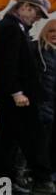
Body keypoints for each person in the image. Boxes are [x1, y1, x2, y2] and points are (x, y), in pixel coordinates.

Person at [0, 0, 54, 195]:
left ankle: (5, 183)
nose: (38, 19)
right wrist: (17, 92)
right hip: (17, 96)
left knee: (7, 140)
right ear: (24, 7)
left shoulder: (13, 28)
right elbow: (8, 65)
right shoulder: (10, 29)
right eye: (37, 13)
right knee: (32, 138)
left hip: (13, 95)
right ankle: (41, 181)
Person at [32, 18, 56, 183]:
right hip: (44, 103)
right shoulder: (38, 49)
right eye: (51, 31)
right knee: (44, 144)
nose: (54, 35)